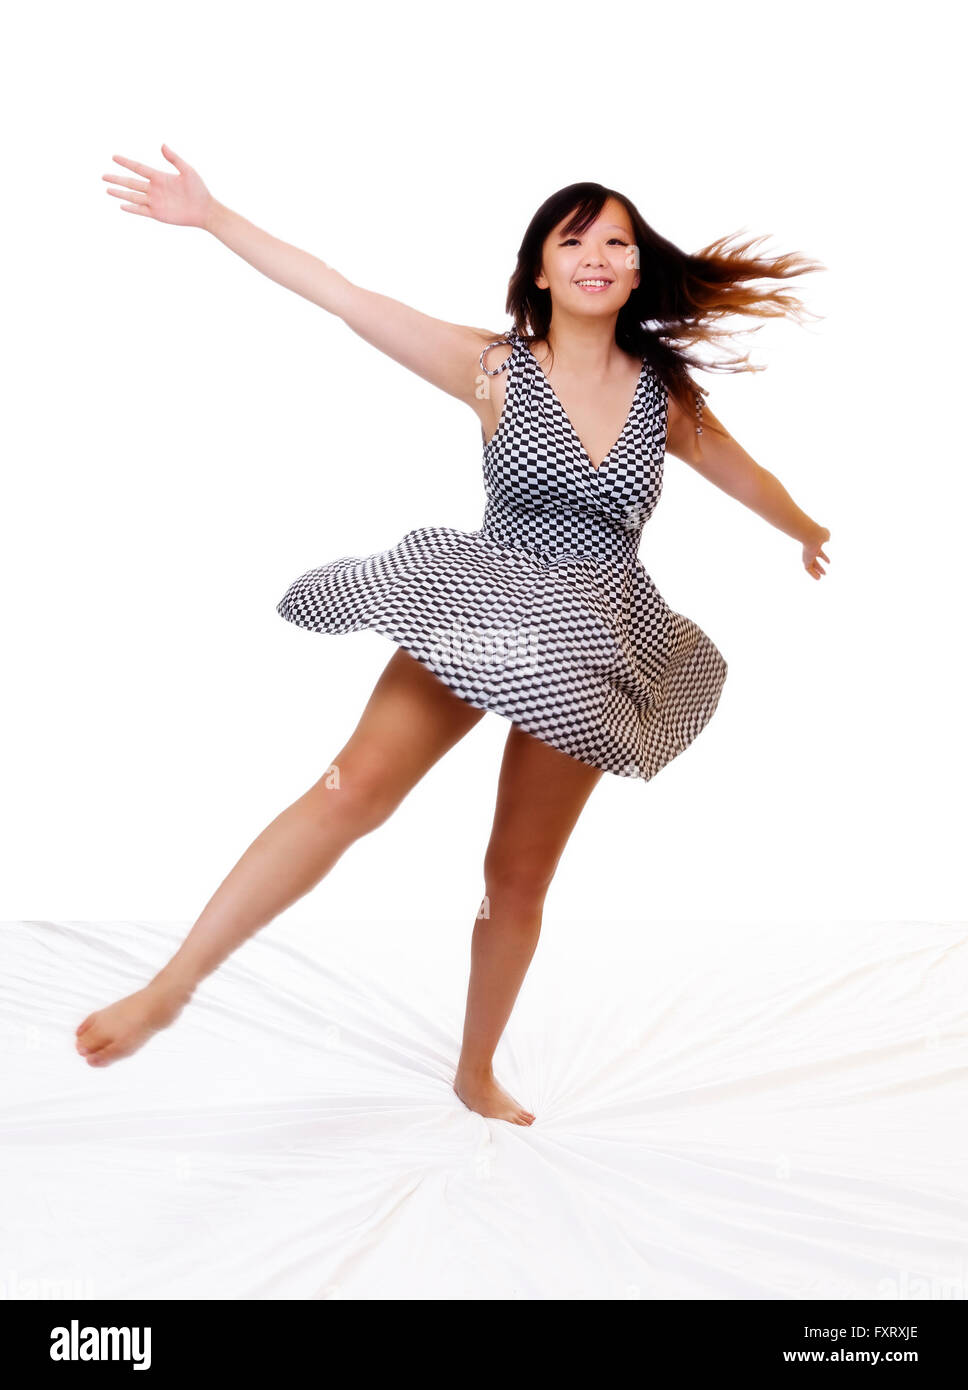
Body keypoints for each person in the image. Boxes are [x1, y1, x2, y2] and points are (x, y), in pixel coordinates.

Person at [77, 150, 831, 1124]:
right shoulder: (491, 367)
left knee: (514, 874)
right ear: (539, 271)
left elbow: (746, 477)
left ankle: (474, 1070)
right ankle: (169, 986)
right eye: (574, 240)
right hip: (484, 603)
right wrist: (215, 215)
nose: (597, 255)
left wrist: (807, 531)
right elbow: (344, 296)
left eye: (616, 241)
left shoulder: (663, 399)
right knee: (349, 794)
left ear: (637, 270)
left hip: (586, 640)